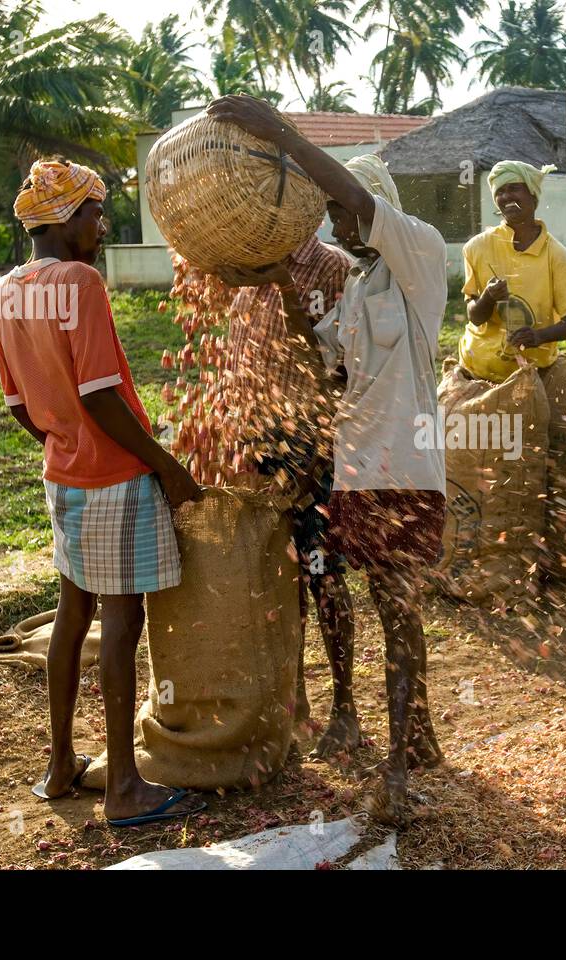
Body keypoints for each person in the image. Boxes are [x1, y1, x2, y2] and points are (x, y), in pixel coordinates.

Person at [207, 95, 448, 825]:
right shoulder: (361, 288)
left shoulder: (419, 257)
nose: (338, 228)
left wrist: (276, 131)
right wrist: (272, 282)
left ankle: (399, 771)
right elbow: (324, 370)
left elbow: (351, 194)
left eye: (343, 216)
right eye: (333, 222)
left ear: (375, 208)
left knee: (399, 613)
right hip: (357, 475)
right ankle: (419, 738)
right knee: (384, 606)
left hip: (406, 471)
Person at [0, 158, 206, 827]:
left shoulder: (5, 290)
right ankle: (123, 789)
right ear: (69, 217)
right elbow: (102, 395)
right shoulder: (79, 281)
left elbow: (19, 404)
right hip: (115, 477)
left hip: (64, 478)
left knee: (71, 615)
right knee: (121, 624)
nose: (103, 225)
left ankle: (59, 766)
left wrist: (63, 445)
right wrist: (167, 467)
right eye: (96, 211)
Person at [214, 237, 355, 749]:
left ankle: (346, 709)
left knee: (324, 574)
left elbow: (336, 364)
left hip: (314, 445)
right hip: (260, 445)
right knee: (281, 576)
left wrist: (320, 446)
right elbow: (239, 364)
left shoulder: (329, 267)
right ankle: (295, 704)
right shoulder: (247, 272)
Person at [459, 160, 566, 383]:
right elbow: (475, 317)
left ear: (533, 196)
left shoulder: (555, 254)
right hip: (477, 371)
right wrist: (488, 297)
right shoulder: (476, 248)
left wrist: (539, 336)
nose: (507, 197)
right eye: (500, 192)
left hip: (533, 375)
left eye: (514, 188)